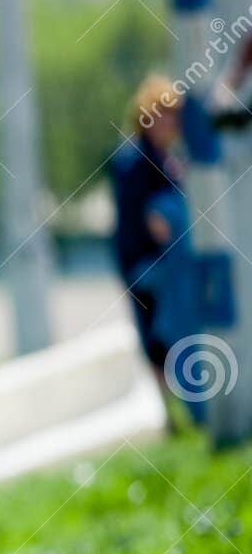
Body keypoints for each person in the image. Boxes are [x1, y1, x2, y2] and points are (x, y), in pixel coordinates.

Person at [110, 74, 191, 419]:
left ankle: (180, 413)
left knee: (172, 333)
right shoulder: (135, 162)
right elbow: (148, 222)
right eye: (161, 113)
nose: (168, 121)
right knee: (158, 336)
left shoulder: (168, 159)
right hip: (146, 262)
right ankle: (171, 415)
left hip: (167, 262)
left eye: (172, 114)